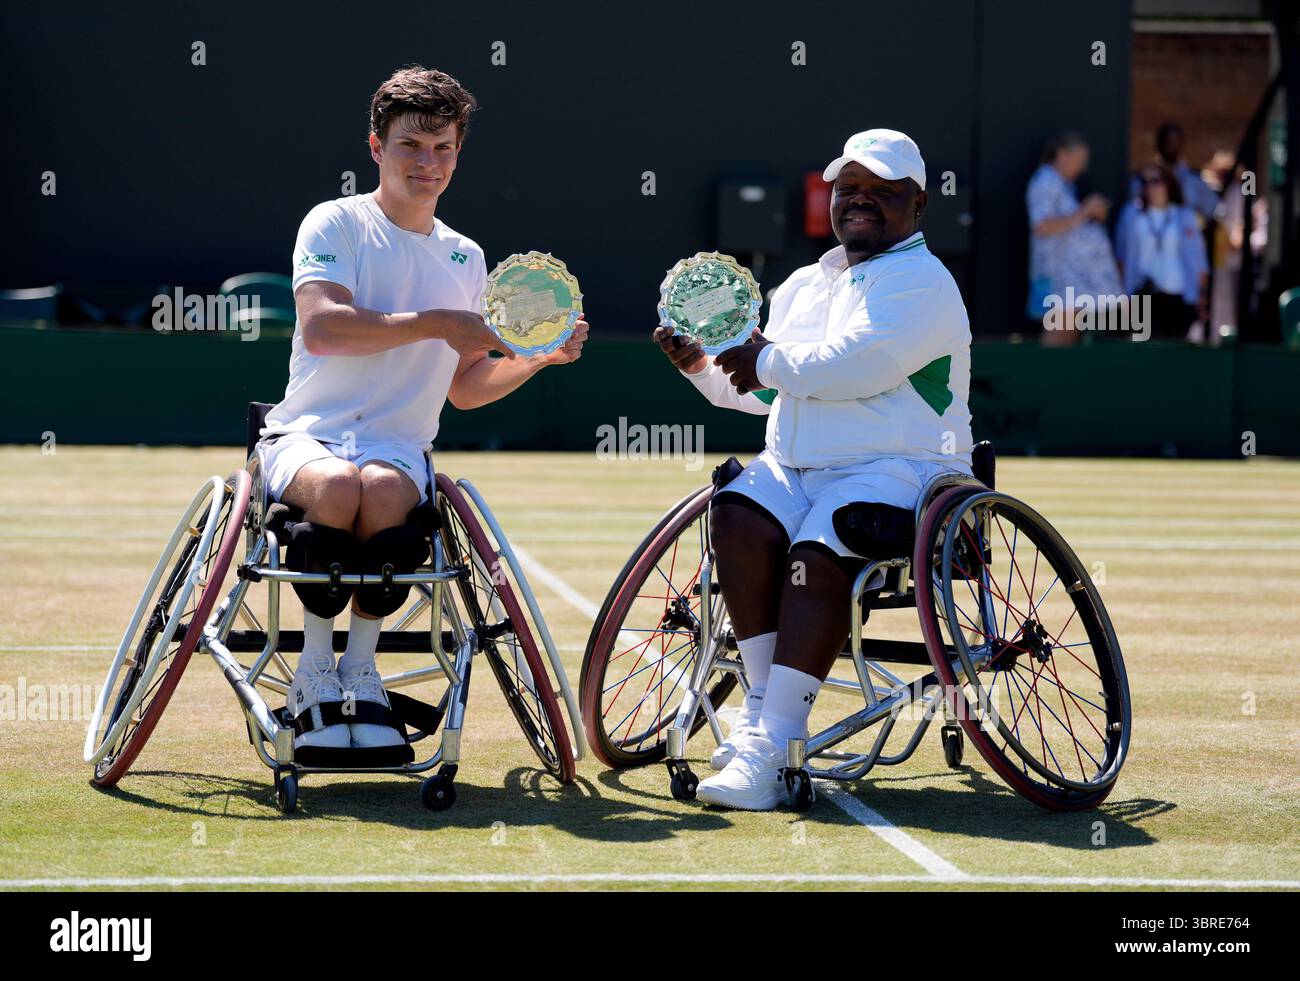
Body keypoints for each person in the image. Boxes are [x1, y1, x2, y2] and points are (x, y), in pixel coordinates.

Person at [260, 66, 588, 751]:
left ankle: (360, 669)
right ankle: (315, 671)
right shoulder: (335, 221)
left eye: (443, 149)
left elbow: (466, 387)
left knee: (379, 486)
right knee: (345, 483)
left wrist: (535, 359)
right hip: (307, 435)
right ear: (376, 148)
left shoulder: (468, 258)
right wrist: (439, 320)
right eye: (411, 145)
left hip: (398, 448)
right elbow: (324, 328)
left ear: (458, 153)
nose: (427, 162)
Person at [653, 129, 972, 810]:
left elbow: (857, 365)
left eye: (880, 191)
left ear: (917, 204)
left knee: (818, 546)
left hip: (902, 469)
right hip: (797, 465)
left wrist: (763, 360)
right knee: (736, 509)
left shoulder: (925, 282)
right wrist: (703, 369)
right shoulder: (802, 284)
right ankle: (762, 711)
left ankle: (773, 743)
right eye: (847, 188)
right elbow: (768, 389)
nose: (859, 201)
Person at [1025, 132, 1123, 345]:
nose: (1083, 167)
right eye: (1080, 160)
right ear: (1062, 155)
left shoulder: (1062, 185)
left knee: (1069, 334)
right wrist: (1085, 211)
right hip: (1058, 278)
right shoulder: (1045, 181)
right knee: (1059, 334)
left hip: (1073, 282)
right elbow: (1042, 226)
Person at [1114, 164, 1209, 340]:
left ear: (1169, 184)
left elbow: (1198, 259)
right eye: (1145, 181)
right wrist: (1121, 295)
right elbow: (1121, 259)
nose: (1150, 186)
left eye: (1156, 181)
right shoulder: (1131, 214)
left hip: (1179, 295)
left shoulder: (1184, 215)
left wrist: (1201, 295)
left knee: (1176, 350)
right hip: (1143, 293)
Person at [1129, 121, 1219, 222]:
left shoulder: (1194, 179)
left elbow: (1213, 210)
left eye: (1174, 143)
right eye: (1166, 142)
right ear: (1158, 144)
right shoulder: (1144, 179)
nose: (1170, 147)